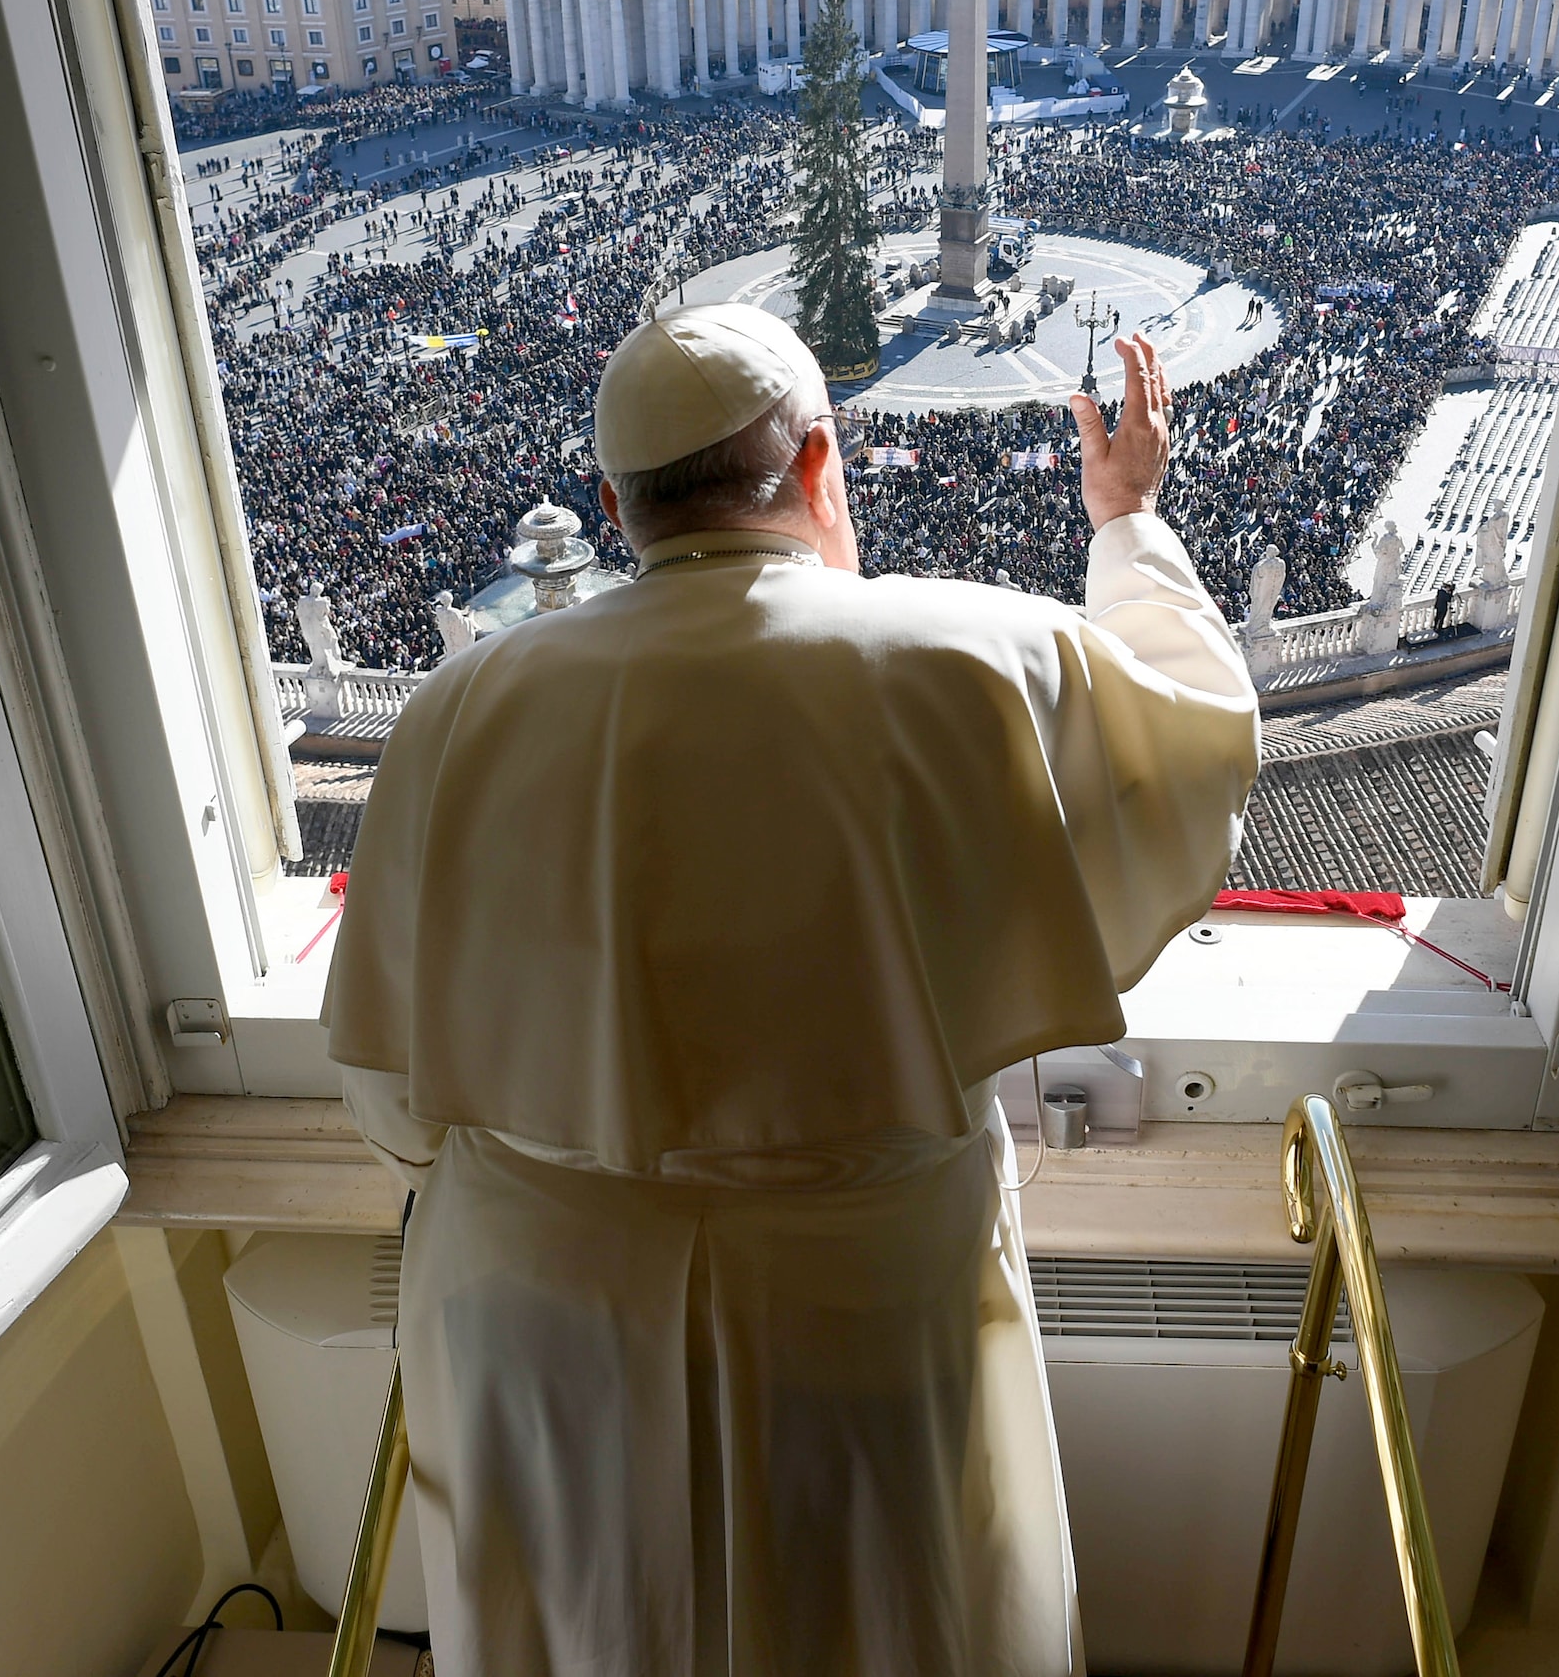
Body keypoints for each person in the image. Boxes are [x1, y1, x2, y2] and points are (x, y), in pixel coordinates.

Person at [325, 301, 1259, 1675]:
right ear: (822, 465)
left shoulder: (458, 711)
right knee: (876, 1618)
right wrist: (1125, 521)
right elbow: (1201, 743)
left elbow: (392, 1090)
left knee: (593, 1629)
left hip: (544, 1300)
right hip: (861, 1291)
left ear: (612, 507)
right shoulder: (971, 653)